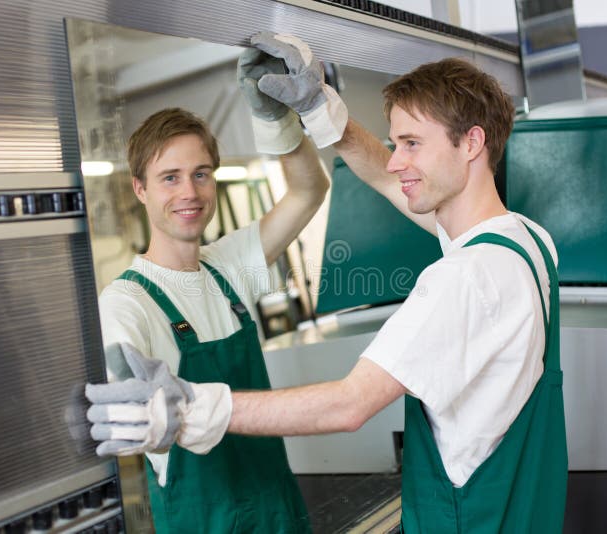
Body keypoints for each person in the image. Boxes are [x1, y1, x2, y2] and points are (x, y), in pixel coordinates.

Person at [87, 33, 568, 533]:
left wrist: (188, 409)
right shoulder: (529, 243)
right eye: (169, 177)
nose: (396, 160)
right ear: (138, 188)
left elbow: (349, 403)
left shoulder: (463, 277)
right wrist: (319, 108)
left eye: (410, 144)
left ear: (471, 142)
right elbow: (387, 178)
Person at [88, 49, 331, 533]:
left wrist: (276, 119)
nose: (189, 193)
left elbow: (309, 189)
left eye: (201, 174)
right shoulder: (125, 302)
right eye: (169, 178)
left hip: (278, 513)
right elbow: (131, 415)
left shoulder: (227, 267)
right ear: (140, 189)